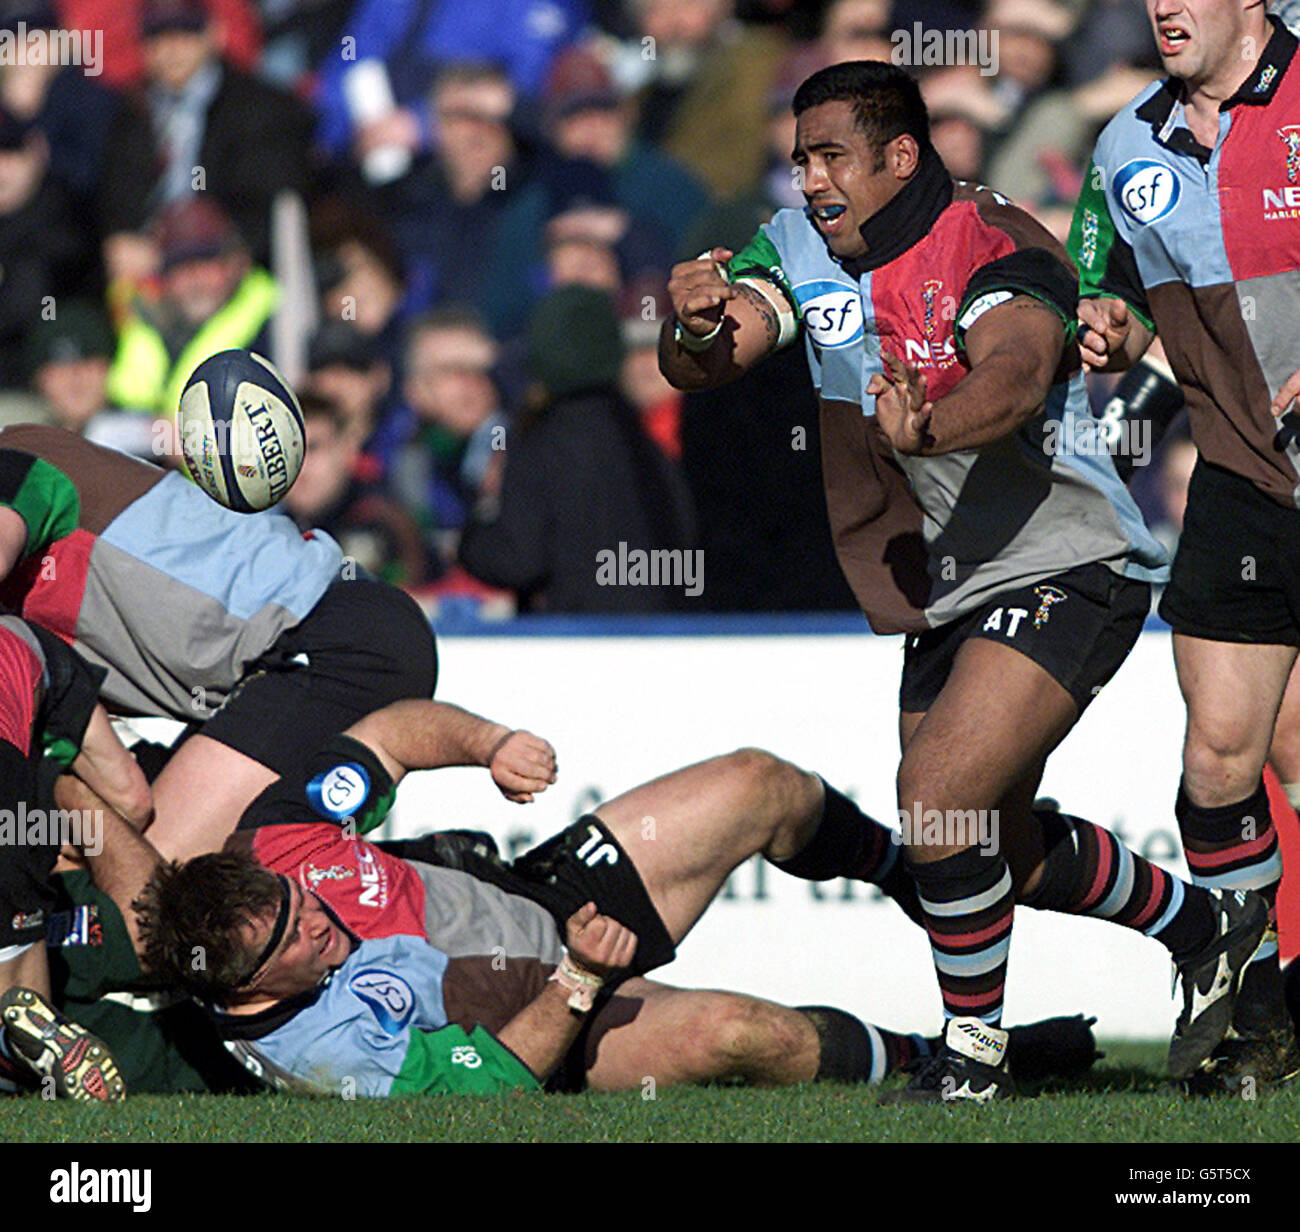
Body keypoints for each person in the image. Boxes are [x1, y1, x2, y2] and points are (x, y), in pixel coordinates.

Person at [659, 59, 1264, 1101]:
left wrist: (927, 425)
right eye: (800, 157)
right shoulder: (798, 242)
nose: (808, 180)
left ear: (900, 157)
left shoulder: (992, 239)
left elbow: (1019, 370)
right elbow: (719, 353)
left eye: (829, 157)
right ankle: (1204, 924)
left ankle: (971, 1062)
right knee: (995, 847)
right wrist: (698, 324)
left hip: (1066, 559)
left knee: (936, 801)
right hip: (939, 587)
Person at [135, 697, 1102, 1097]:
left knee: (760, 780)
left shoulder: (275, 844)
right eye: (297, 933)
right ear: (247, 995)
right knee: (743, 1037)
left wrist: (483, 745)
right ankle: (968, 1061)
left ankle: (917, 882)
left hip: (534, 891)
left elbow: (385, 735)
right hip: (543, 1012)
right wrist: (578, 982)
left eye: (296, 897)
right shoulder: (322, 1051)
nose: (320, 913)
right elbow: (484, 1091)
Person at [1069, 0, 1300, 1086]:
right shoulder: (1125, 143)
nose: (1162, 5)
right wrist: (1109, 323)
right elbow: (1108, 283)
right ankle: (1249, 983)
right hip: (1245, 479)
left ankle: (1264, 1021)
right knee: (1221, 760)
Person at [0, 422, 437, 864]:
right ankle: (440, 863)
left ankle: (445, 871)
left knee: (153, 880)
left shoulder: (13, 463)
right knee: (220, 890)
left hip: (329, 646)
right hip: (308, 650)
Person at [0, 614, 151, 1101]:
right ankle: (18, 1060)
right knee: (16, 996)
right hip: (10, 786)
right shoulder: (36, 647)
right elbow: (132, 799)